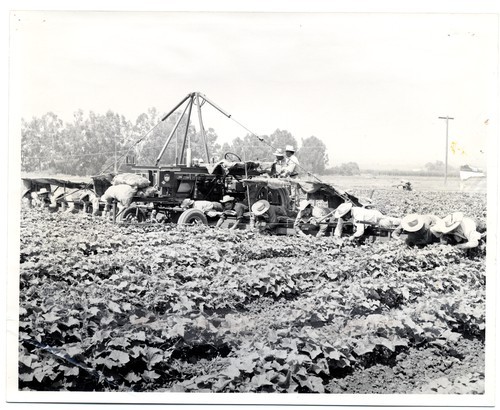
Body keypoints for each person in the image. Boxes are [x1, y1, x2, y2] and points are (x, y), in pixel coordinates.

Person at [333, 202, 400, 240]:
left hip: (376, 218)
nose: (343, 218)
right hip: (366, 222)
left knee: (390, 223)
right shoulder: (343, 216)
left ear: (348, 213)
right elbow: (339, 226)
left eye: (344, 216)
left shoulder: (357, 213)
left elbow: (360, 230)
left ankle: (403, 222)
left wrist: (352, 237)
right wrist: (336, 236)